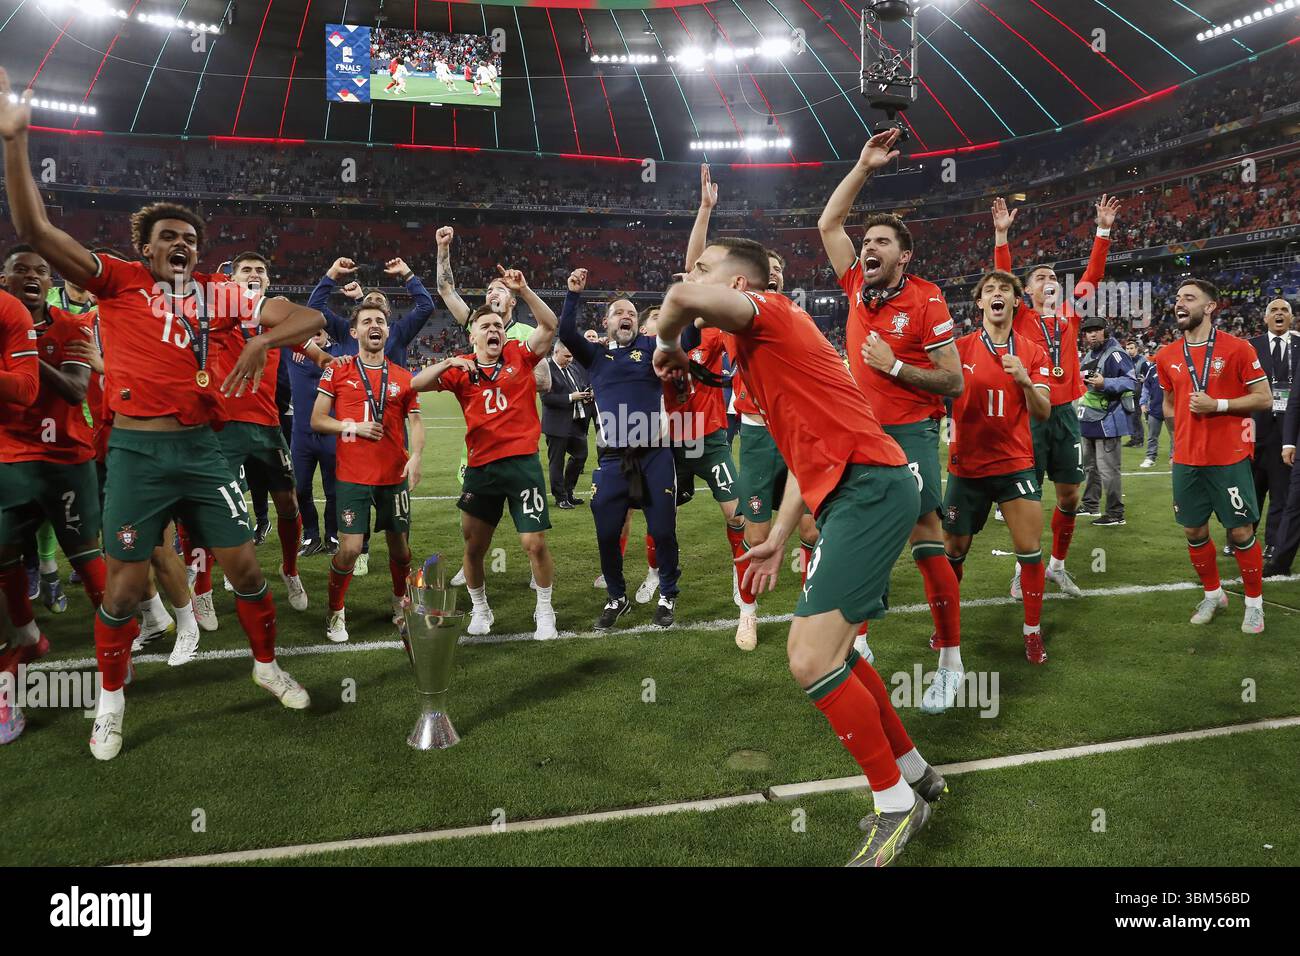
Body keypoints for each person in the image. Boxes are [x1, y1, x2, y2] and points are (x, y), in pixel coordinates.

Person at [3, 69, 323, 761]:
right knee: (123, 587)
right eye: (169, 236)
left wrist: (265, 337)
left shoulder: (217, 294)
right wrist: (16, 140)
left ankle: (265, 663)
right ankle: (111, 704)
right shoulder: (116, 280)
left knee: (243, 568)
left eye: (190, 239)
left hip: (205, 451)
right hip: (136, 456)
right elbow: (33, 227)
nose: (182, 244)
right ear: (145, 247)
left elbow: (309, 315)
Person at [653, 235, 942, 867]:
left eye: (705, 268)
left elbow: (676, 296)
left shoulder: (771, 313)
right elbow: (800, 449)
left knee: (809, 659)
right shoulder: (756, 347)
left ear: (735, 288)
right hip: (851, 490)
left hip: (868, 487)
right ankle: (915, 773)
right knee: (835, 651)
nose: (690, 273)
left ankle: (894, 806)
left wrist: (667, 347)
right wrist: (780, 538)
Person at [818, 131, 966, 709]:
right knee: (849, 534)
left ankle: (950, 662)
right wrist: (862, 166)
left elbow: (953, 380)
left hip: (909, 433)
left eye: (882, 241)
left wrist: (896, 369)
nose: (869, 246)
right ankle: (859, 640)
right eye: (868, 240)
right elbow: (831, 224)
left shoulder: (927, 299)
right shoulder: (856, 282)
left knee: (926, 538)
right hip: (859, 433)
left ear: (904, 256)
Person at [685, 164, 819, 651]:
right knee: (755, 527)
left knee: (810, 525)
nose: (776, 279)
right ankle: (748, 612)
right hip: (760, 433)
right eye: (769, 273)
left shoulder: (796, 319)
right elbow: (695, 276)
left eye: (781, 274)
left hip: (801, 431)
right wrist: (704, 212)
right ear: (747, 282)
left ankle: (811, 601)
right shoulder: (731, 321)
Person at [412, 266, 560, 641]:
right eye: (486, 326)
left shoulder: (518, 354)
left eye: (497, 325)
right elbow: (414, 385)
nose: (494, 330)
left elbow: (549, 325)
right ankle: (481, 608)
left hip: (522, 464)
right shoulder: (461, 369)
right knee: (474, 546)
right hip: (480, 468)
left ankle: (545, 610)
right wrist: (448, 362)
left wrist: (524, 290)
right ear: (472, 335)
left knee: (534, 542)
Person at [991, 193, 1121, 600]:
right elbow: (1002, 274)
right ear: (1025, 290)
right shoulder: (1020, 317)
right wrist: (1001, 235)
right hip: (1029, 415)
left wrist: (1103, 229)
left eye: (1053, 278)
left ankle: (1058, 568)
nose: (1049, 282)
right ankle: (1020, 569)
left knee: (1069, 495)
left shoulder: (1070, 314)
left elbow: (1094, 274)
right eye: (1041, 278)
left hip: (1065, 413)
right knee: (1025, 498)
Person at [558, 269, 698, 630]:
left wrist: (687, 290)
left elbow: (691, 335)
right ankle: (617, 597)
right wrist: (573, 295)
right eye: (619, 313)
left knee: (663, 530)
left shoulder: (652, 348)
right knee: (606, 533)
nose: (627, 317)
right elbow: (566, 333)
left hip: (654, 454)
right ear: (606, 322)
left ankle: (667, 592)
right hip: (612, 458)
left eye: (632, 314)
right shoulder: (595, 357)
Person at [0, 246, 108, 667]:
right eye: (21, 269)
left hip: (66, 458)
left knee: (85, 555)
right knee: (3, 554)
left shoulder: (73, 326)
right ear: (4, 279)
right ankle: (27, 634)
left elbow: (76, 389)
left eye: (42, 270)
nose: (33, 275)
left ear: (51, 283)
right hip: (11, 454)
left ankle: (114, 640)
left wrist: (26, 350)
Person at [942, 271, 1053, 664]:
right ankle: (947, 631)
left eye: (1005, 289)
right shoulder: (957, 349)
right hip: (966, 468)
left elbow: (1043, 412)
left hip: (1015, 466)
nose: (997, 294)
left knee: (1029, 549)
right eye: (989, 290)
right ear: (979, 304)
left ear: (1016, 302)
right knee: (953, 551)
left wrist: (1023, 379)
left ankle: (1032, 632)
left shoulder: (1034, 352)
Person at [1153, 279, 1272, 633]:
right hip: (1188, 460)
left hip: (1229, 457)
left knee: (1240, 531)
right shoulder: (1166, 355)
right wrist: (1179, 440)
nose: (1180, 303)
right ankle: (1213, 593)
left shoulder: (1238, 349)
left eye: (1189, 298)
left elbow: (1264, 398)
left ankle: (1254, 604)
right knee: (1193, 528)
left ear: (1209, 307)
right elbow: (1169, 404)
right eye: (1177, 298)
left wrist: (1217, 405)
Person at [312, 304, 424, 643]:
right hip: (352, 476)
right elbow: (317, 420)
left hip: (393, 476)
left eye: (380, 321)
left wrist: (417, 455)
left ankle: (399, 601)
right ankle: (335, 611)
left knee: (401, 550)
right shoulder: (337, 370)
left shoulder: (404, 377)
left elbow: (416, 422)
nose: (374, 325)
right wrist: (355, 426)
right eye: (366, 321)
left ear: (387, 332)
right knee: (349, 550)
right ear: (354, 332)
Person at [1247, 298, 1296, 560]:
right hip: (1254, 429)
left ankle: (1273, 543)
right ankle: (1242, 539)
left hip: (1287, 432)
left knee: (1281, 492)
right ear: (1265, 318)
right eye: (1274, 310)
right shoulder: (1250, 347)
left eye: (1284, 310)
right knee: (1250, 490)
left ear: (1292, 318)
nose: (1279, 314)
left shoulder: (1299, 346)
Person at [1078, 316, 1136, 527]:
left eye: (1096, 330)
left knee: (1108, 469)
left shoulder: (1116, 354)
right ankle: (1090, 504)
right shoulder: (1090, 354)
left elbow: (1131, 381)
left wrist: (1105, 383)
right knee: (1090, 467)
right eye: (1088, 331)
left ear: (1105, 331)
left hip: (1108, 419)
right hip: (1089, 418)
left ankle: (1115, 512)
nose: (1092, 334)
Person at [541, 340, 594, 509]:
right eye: (567, 356)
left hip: (576, 422)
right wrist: (571, 397)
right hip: (557, 424)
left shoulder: (572, 368)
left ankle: (568, 491)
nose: (570, 359)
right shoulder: (547, 369)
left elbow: (581, 387)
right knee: (557, 462)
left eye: (572, 356)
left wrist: (587, 394)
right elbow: (546, 398)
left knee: (580, 456)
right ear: (556, 352)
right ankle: (560, 497)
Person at [1140, 350, 1172, 468]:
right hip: (1155, 408)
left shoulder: (1175, 368)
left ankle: (1174, 457)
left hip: (1172, 408)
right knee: (1152, 435)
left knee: (1174, 435)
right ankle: (1150, 457)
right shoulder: (1152, 369)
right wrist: (1143, 403)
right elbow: (1146, 387)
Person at [1124, 341, 1149, 447]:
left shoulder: (1143, 361)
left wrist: (1145, 381)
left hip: (1139, 392)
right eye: (1127, 348)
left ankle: (1139, 440)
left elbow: (1148, 378)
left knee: (1136, 416)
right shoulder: (1125, 361)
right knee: (1130, 416)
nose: (1129, 350)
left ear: (1137, 349)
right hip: (1129, 391)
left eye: (1131, 348)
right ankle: (1134, 438)